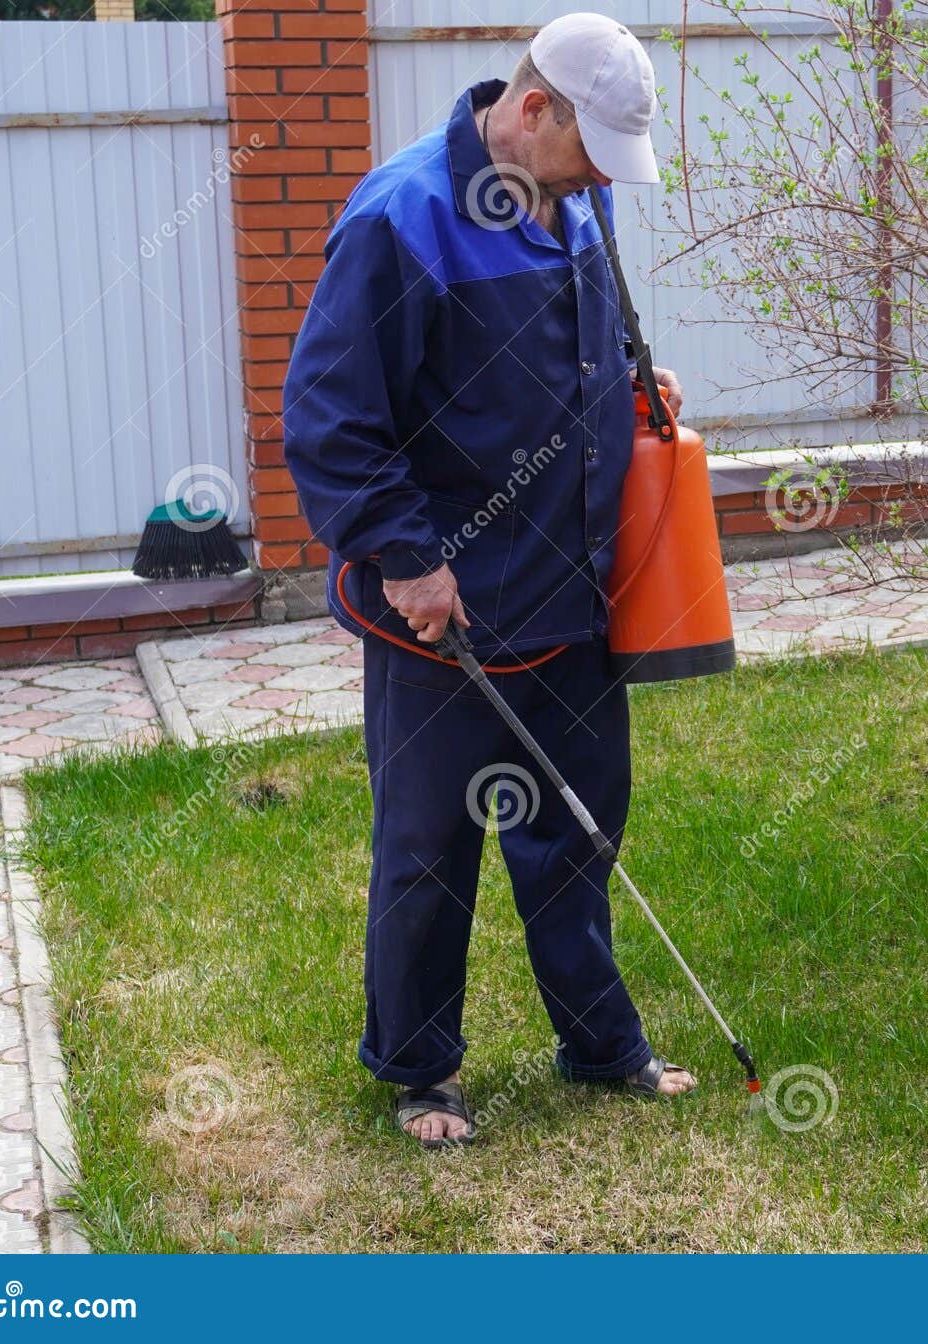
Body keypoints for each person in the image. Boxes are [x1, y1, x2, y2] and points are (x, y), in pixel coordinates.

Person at [283, 13, 696, 1149]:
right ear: (531, 111)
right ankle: (419, 1070)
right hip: (444, 616)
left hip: (572, 592)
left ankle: (601, 1046)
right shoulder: (401, 217)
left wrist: (628, 374)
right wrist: (409, 560)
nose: (601, 180)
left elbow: (568, 349)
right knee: (429, 851)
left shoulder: (577, 196)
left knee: (577, 831)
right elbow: (329, 423)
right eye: (589, 152)